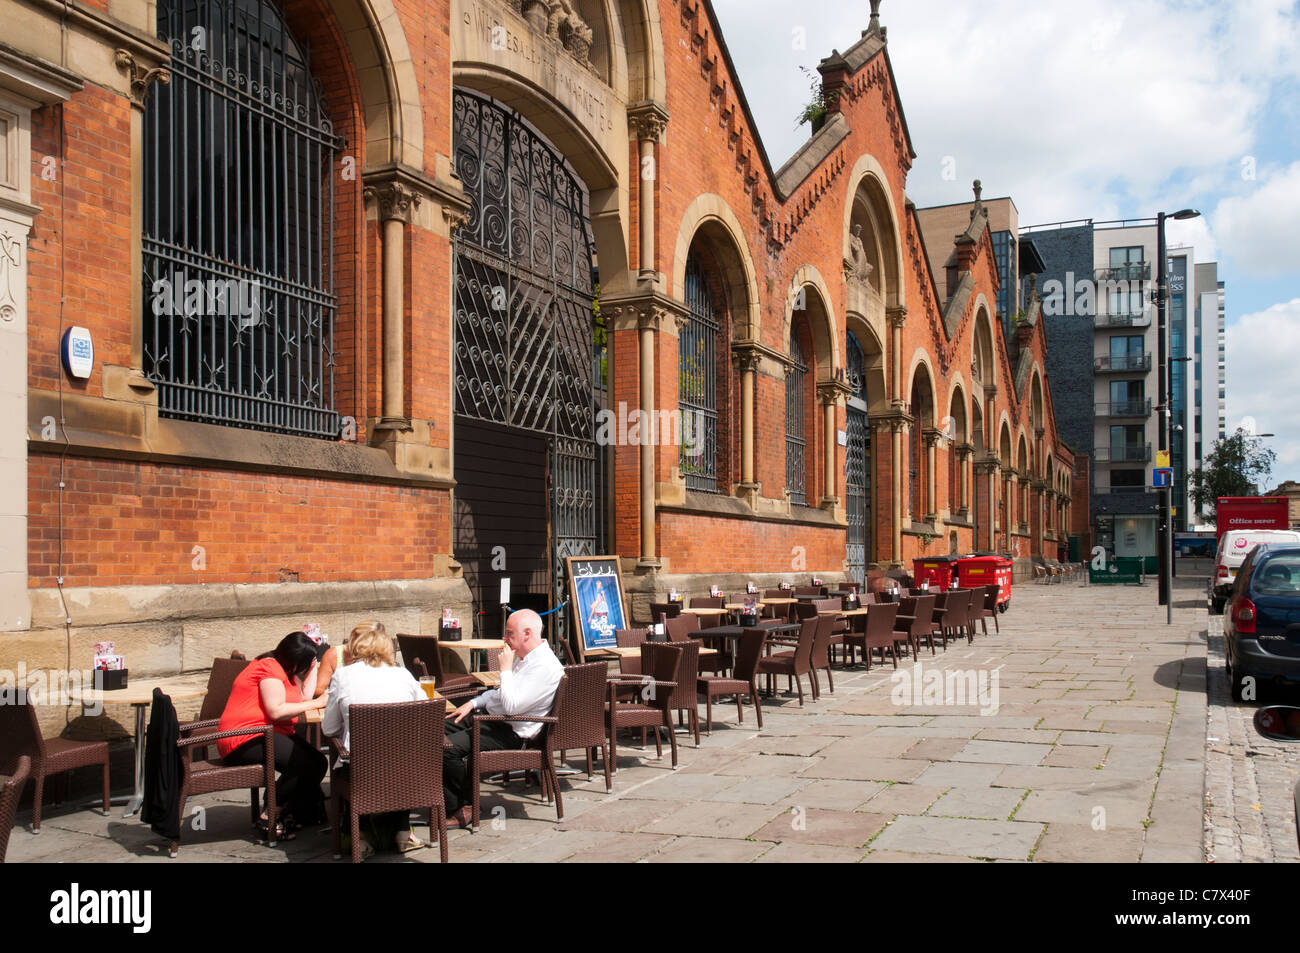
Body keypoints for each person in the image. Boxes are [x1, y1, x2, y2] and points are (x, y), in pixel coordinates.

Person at [442, 609, 563, 829]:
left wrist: (505, 669)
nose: (504, 639)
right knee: (433, 731)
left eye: (509, 634)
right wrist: (472, 703)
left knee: (447, 748)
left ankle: (464, 806)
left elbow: (511, 707)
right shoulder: (524, 656)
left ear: (527, 633)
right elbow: (499, 693)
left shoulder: (544, 666)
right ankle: (438, 796)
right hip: (491, 718)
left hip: (512, 733)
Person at [321, 621, 427, 854]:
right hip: (409, 770)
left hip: (361, 770)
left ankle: (358, 837)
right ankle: (402, 833)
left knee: (356, 757)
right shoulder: (403, 674)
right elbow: (424, 709)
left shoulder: (343, 675)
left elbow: (328, 729)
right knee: (398, 752)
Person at [218, 632, 329, 839]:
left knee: (319, 763)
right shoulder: (269, 668)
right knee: (302, 764)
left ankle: (287, 810)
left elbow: (302, 697)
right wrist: (317, 703)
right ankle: (270, 813)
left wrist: (313, 669)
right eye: (305, 663)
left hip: (266, 733)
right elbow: (275, 710)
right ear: (296, 660)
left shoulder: (284, 670)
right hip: (243, 738)